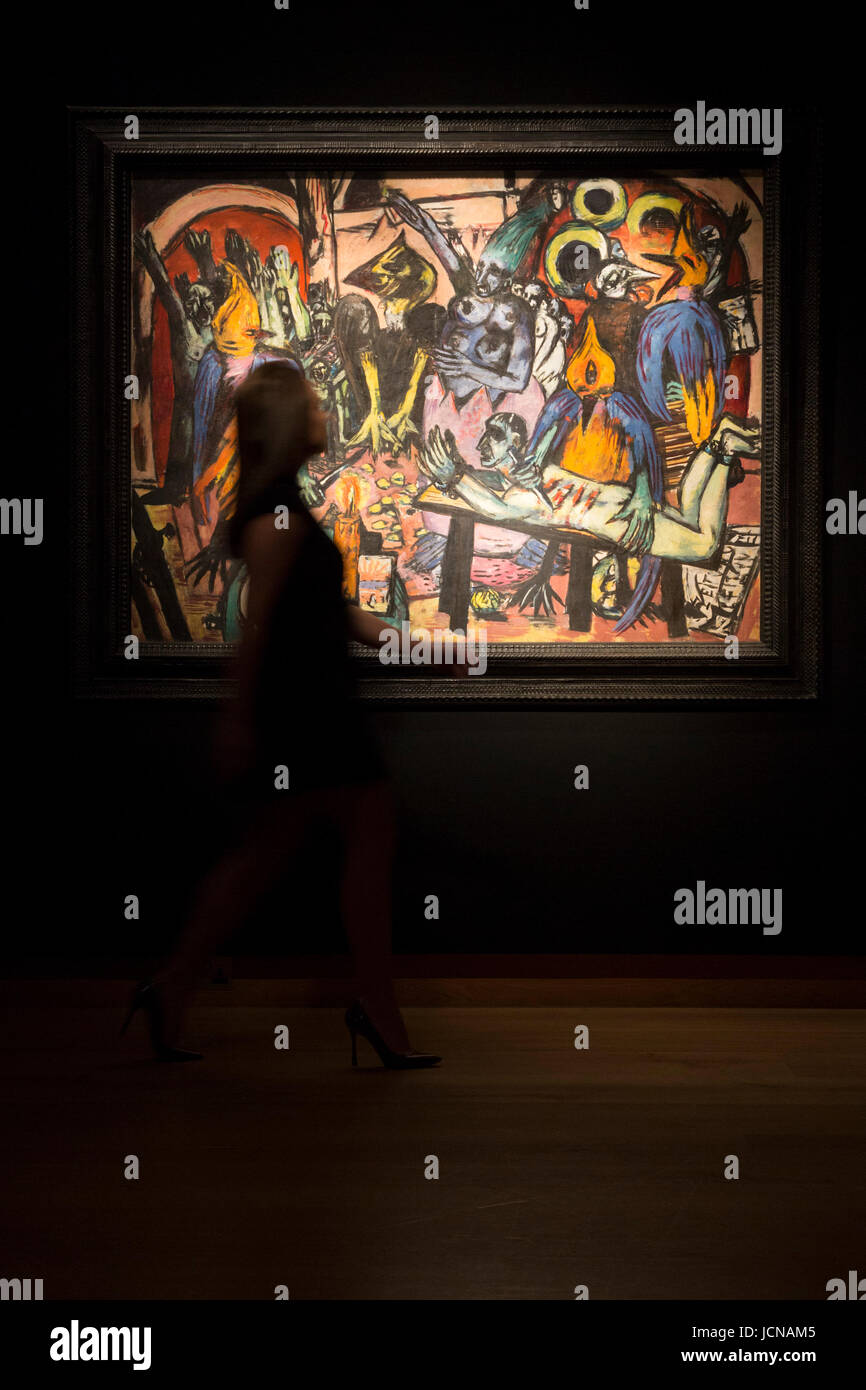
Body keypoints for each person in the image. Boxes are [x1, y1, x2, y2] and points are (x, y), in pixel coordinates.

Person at [121, 360, 441, 1070]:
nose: (326, 413)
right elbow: (258, 628)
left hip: (308, 705)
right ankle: (376, 1009)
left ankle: (172, 986)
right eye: (314, 405)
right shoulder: (275, 514)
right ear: (289, 422)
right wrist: (238, 720)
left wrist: (423, 649)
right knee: (357, 836)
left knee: (266, 853)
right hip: (307, 710)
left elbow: (343, 617)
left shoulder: (285, 503)